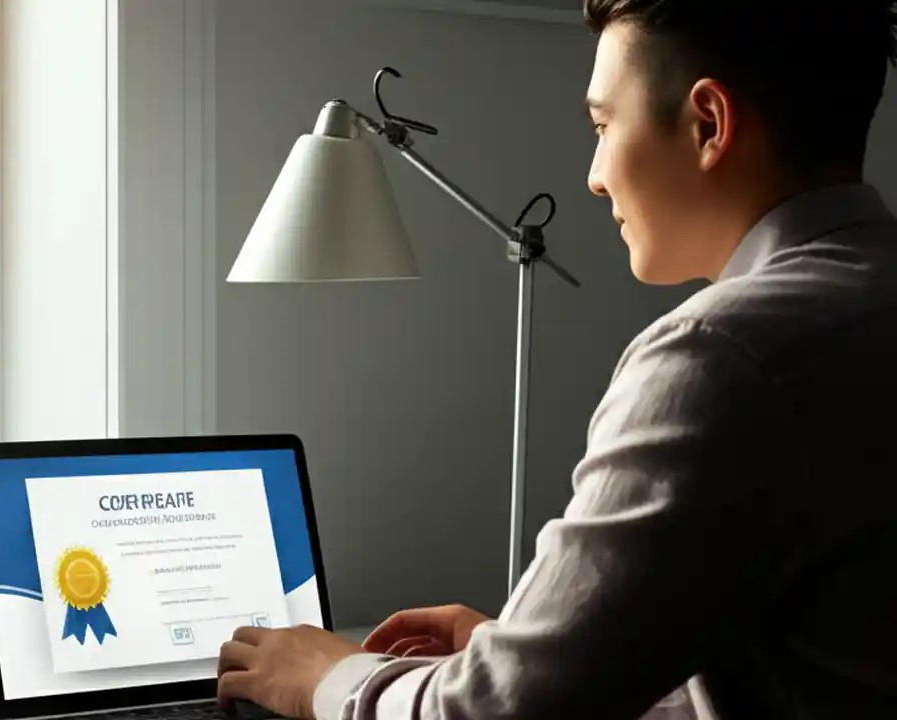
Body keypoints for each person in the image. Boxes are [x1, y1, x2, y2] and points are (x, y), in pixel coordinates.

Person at [216, 1, 897, 718]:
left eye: (603, 127)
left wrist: (327, 678)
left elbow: (499, 715)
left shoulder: (720, 355)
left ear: (708, 125)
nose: (595, 177)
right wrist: (550, 652)